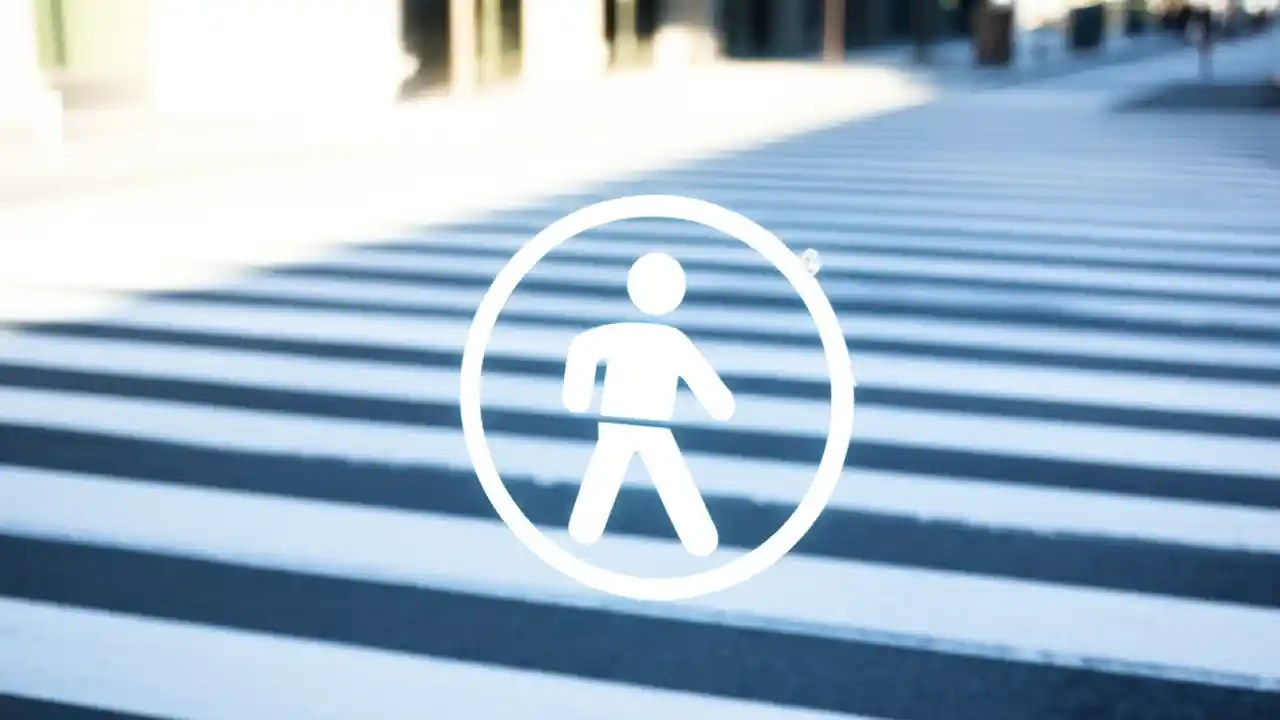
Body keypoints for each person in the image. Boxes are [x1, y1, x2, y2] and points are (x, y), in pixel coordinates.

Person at [561, 252, 735, 557]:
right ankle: (699, 540)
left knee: (626, 470)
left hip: (632, 423)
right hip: (643, 423)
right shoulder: (670, 339)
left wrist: (578, 397)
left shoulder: (630, 335)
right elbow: (705, 382)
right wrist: (720, 406)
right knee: (661, 473)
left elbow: (582, 347)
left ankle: (586, 532)